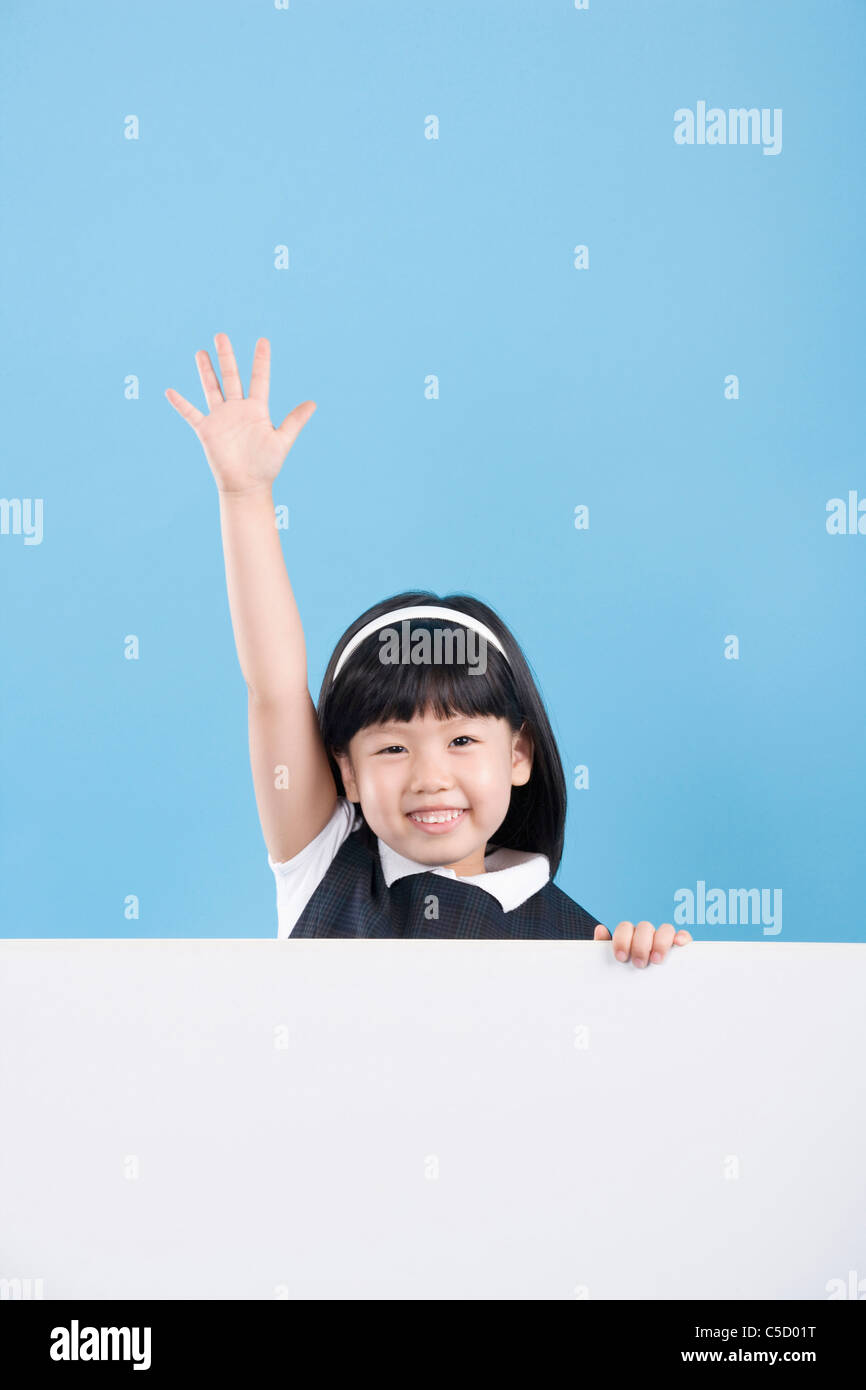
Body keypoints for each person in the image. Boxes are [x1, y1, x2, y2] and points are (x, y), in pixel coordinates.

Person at [166, 333, 692, 962]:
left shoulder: (575, 939)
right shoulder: (323, 864)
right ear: (348, 772)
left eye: (462, 740)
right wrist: (245, 495)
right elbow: (274, 689)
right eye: (391, 747)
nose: (430, 778)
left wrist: (644, 969)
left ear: (519, 752)